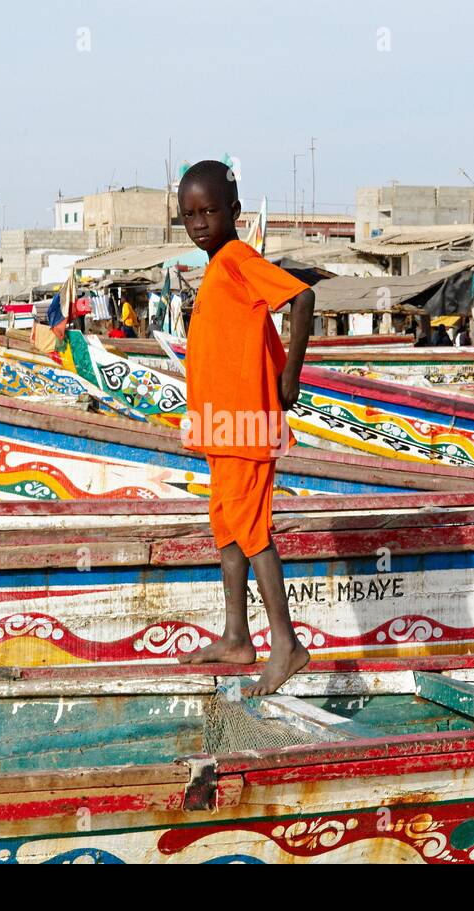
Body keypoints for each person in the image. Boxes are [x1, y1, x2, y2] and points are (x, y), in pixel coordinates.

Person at [174, 159, 315, 696]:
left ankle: (286, 643)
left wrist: (291, 376)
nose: (201, 222)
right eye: (190, 214)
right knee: (227, 527)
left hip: (243, 425)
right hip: (218, 424)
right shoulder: (216, 268)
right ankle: (237, 634)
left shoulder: (236, 259)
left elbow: (302, 297)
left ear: (233, 212)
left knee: (253, 531)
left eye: (210, 210)